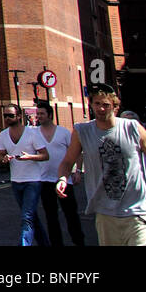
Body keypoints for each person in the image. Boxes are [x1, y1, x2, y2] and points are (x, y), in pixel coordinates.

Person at [56, 83, 146, 246]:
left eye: (106, 105)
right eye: (97, 104)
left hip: (137, 213)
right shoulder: (82, 131)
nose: (101, 109)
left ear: (115, 107)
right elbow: (67, 161)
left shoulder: (133, 128)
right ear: (91, 105)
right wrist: (62, 179)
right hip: (105, 214)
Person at [0, 102, 50, 246]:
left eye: (10, 115)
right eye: (5, 116)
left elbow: (45, 155)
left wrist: (30, 157)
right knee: (31, 217)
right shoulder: (3, 135)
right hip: (16, 181)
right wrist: (4, 159)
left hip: (32, 181)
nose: (7, 118)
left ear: (19, 116)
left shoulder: (32, 133)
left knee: (26, 217)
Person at [34, 101, 84, 246]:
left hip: (64, 180)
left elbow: (78, 152)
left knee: (72, 216)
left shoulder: (63, 132)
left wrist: (77, 171)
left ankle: (79, 243)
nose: (39, 116)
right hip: (44, 181)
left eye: (42, 113)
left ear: (50, 115)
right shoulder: (34, 133)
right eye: (37, 114)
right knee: (51, 218)